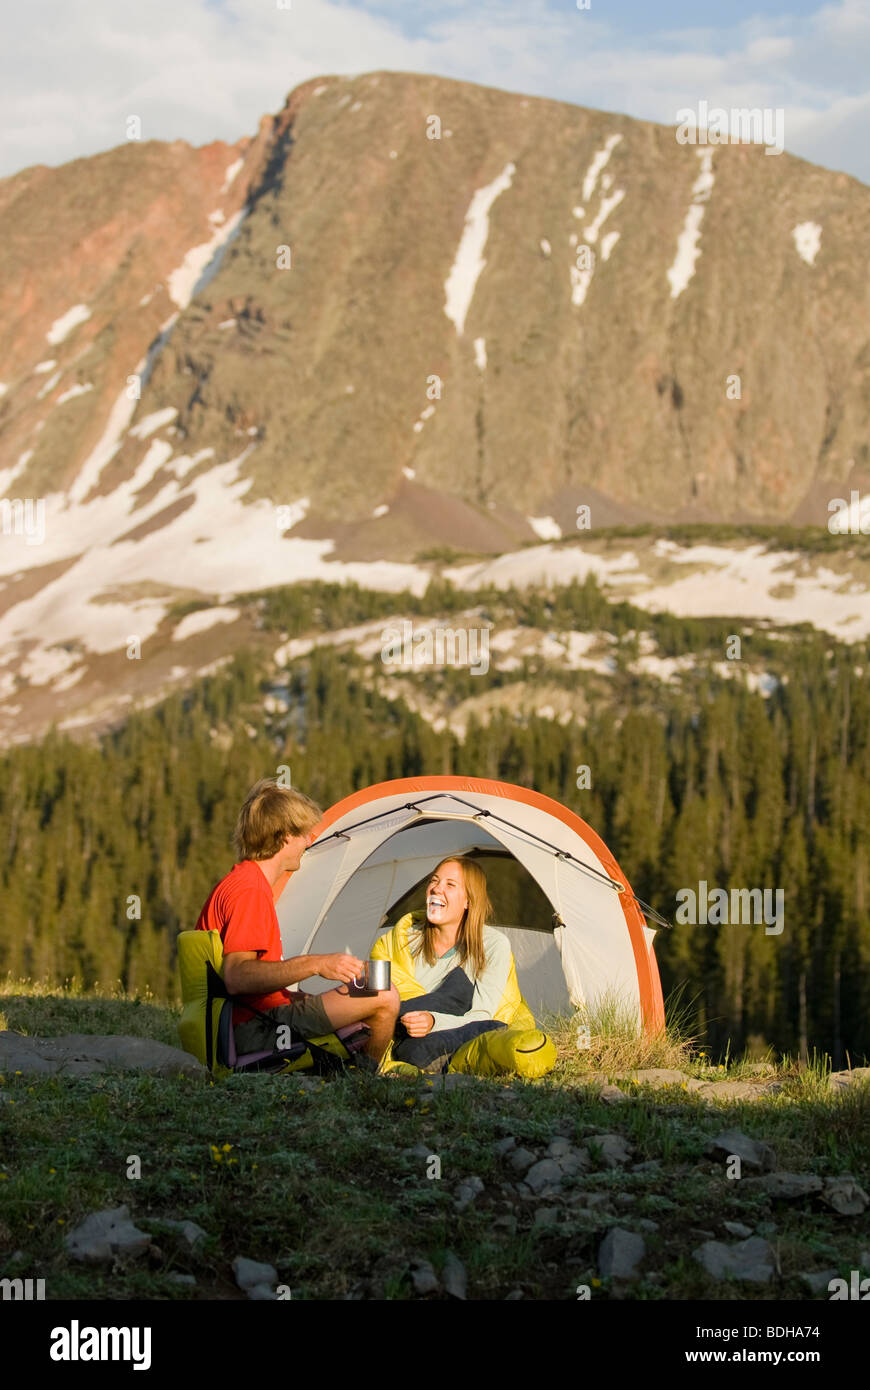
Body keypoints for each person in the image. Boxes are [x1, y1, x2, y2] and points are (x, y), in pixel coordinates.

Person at [195, 778, 399, 1064]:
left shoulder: (244, 882)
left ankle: (349, 1070)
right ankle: (364, 1084)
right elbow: (237, 977)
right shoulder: (249, 890)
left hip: (250, 1017)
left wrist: (297, 998)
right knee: (384, 995)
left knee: (361, 992)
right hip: (252, 1028)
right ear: (285, 836)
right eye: (304, 833)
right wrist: (317, 964)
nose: (309, 841)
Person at [372, 856, 534, 1072]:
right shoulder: (401, 939)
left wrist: (432, 1021)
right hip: (390, 1025)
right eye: (434, 881)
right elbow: (369, 994)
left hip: (440, 1031)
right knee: (363, 1015)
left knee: (418, 1048)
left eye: (450, 884)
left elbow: (482, 1016)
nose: (437, 889)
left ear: (468, 900)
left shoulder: (493, 945)